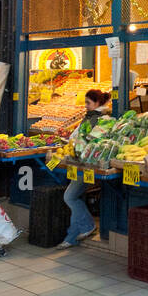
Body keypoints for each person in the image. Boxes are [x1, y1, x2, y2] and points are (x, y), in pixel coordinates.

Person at [59, 89, 109, 249]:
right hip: (80, 162)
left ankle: (84, 228)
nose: (85, 106)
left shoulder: (102, 119)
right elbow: (77, 136)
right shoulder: (90, 117)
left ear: (97, 103)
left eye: (88, 102)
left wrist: (76, 141)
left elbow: (89, 139)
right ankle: (73, 235)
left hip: (88, 164)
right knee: (73, 197)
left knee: (70, 197)